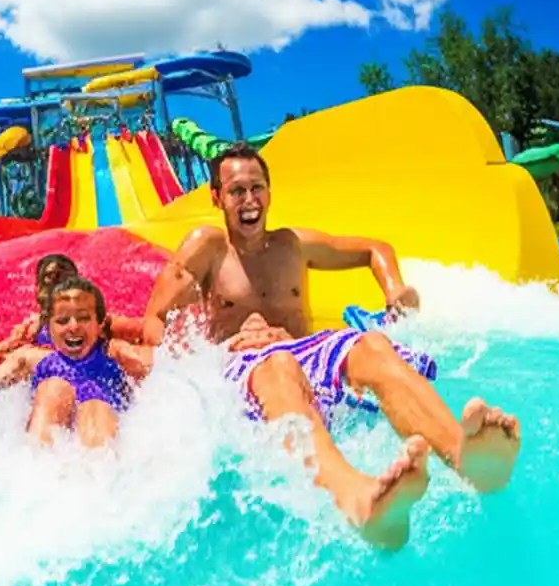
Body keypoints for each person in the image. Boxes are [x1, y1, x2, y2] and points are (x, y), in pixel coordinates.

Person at [140, 142, 521, 550]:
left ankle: (466, 456)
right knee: (279, 366)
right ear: (216, 197)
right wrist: (199, 361)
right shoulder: (209, 247)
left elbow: (376, 249)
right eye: (236, 191)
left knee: (372, 345)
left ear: (270, 192)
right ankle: (356, 497)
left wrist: (394, 289)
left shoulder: (292, 245)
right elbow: (153, 319)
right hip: (249, 366)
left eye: (257, 188)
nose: (249, 200)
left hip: (311, 356)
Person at [0, 276, 155, 448]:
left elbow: (160, 367)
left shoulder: (115, 353)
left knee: (93, 406)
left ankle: (98, 464)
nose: (73, 327)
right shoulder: (32, 359)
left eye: (83, 318)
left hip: (100, 422)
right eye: (62, 321)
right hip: (52, 420)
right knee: (53, 389)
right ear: (48, 328)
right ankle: (38, 458)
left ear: (100, 325)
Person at [0, 253, 145, 383]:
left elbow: (146, 332)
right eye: (51, 279)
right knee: (18, 356)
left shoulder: (100, 322)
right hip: (56, 383)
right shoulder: (34, 326)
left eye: (63, 278)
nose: (58, 285)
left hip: (89, 375)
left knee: (22, 357)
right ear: (38, 289)